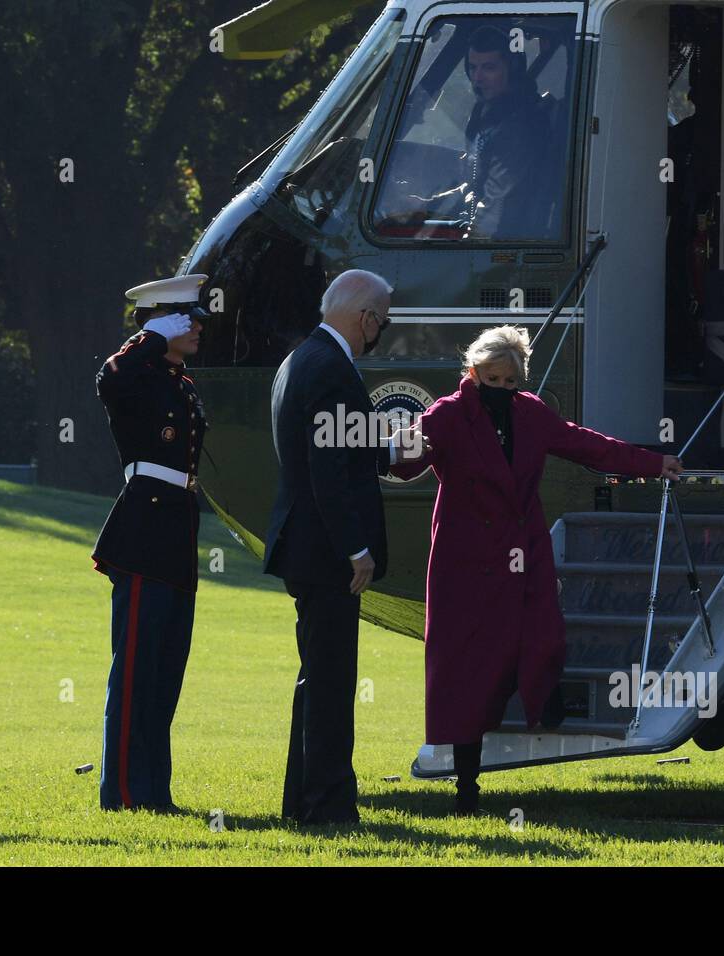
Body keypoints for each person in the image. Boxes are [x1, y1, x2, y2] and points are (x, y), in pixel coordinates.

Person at [391, 326, 683, 814]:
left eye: (509, 381)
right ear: (473, 373)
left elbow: (588, 446)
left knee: (542, 635)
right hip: (464, 561)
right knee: (465, 671)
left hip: (523, 551)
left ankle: (538, 700)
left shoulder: (530, 412)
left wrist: (654, 464)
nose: (501, 388)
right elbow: (406, 463)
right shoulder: (446, 415)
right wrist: (393, 447)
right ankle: (467, 787)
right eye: (492, 378)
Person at [263, 269, 401, 826]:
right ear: (366, 318)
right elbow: (328, 474)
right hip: (326, 553)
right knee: (331, 682)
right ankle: (328, 805)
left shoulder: (304, 358)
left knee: (316, 677)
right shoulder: (331, 369)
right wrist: (355, 549)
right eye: (382, 323)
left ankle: (303, 800)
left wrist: (399, 446)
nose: (380, 333)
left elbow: (340, 449)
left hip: (308, 547)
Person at [91, 273, 210, 812]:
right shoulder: (135, 373)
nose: (200, 326)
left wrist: (161, 347)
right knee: (136, 670)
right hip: (143, 531)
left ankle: (153, 792)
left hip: (177, 531)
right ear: (165, 320)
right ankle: (122, 794)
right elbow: (109, 378)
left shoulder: (177, 383)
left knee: (165, 673)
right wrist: (150, 338)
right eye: (189, 317)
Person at [386, 24, 550, 239]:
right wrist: (425, 205)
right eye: (473, 68)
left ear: (513, 69)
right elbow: (476, 185)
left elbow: (496, 203)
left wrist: (471, 243)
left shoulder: (520, 125)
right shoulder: (491, 113)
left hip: (499, 242)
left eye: (489, 68)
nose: (478, 78)